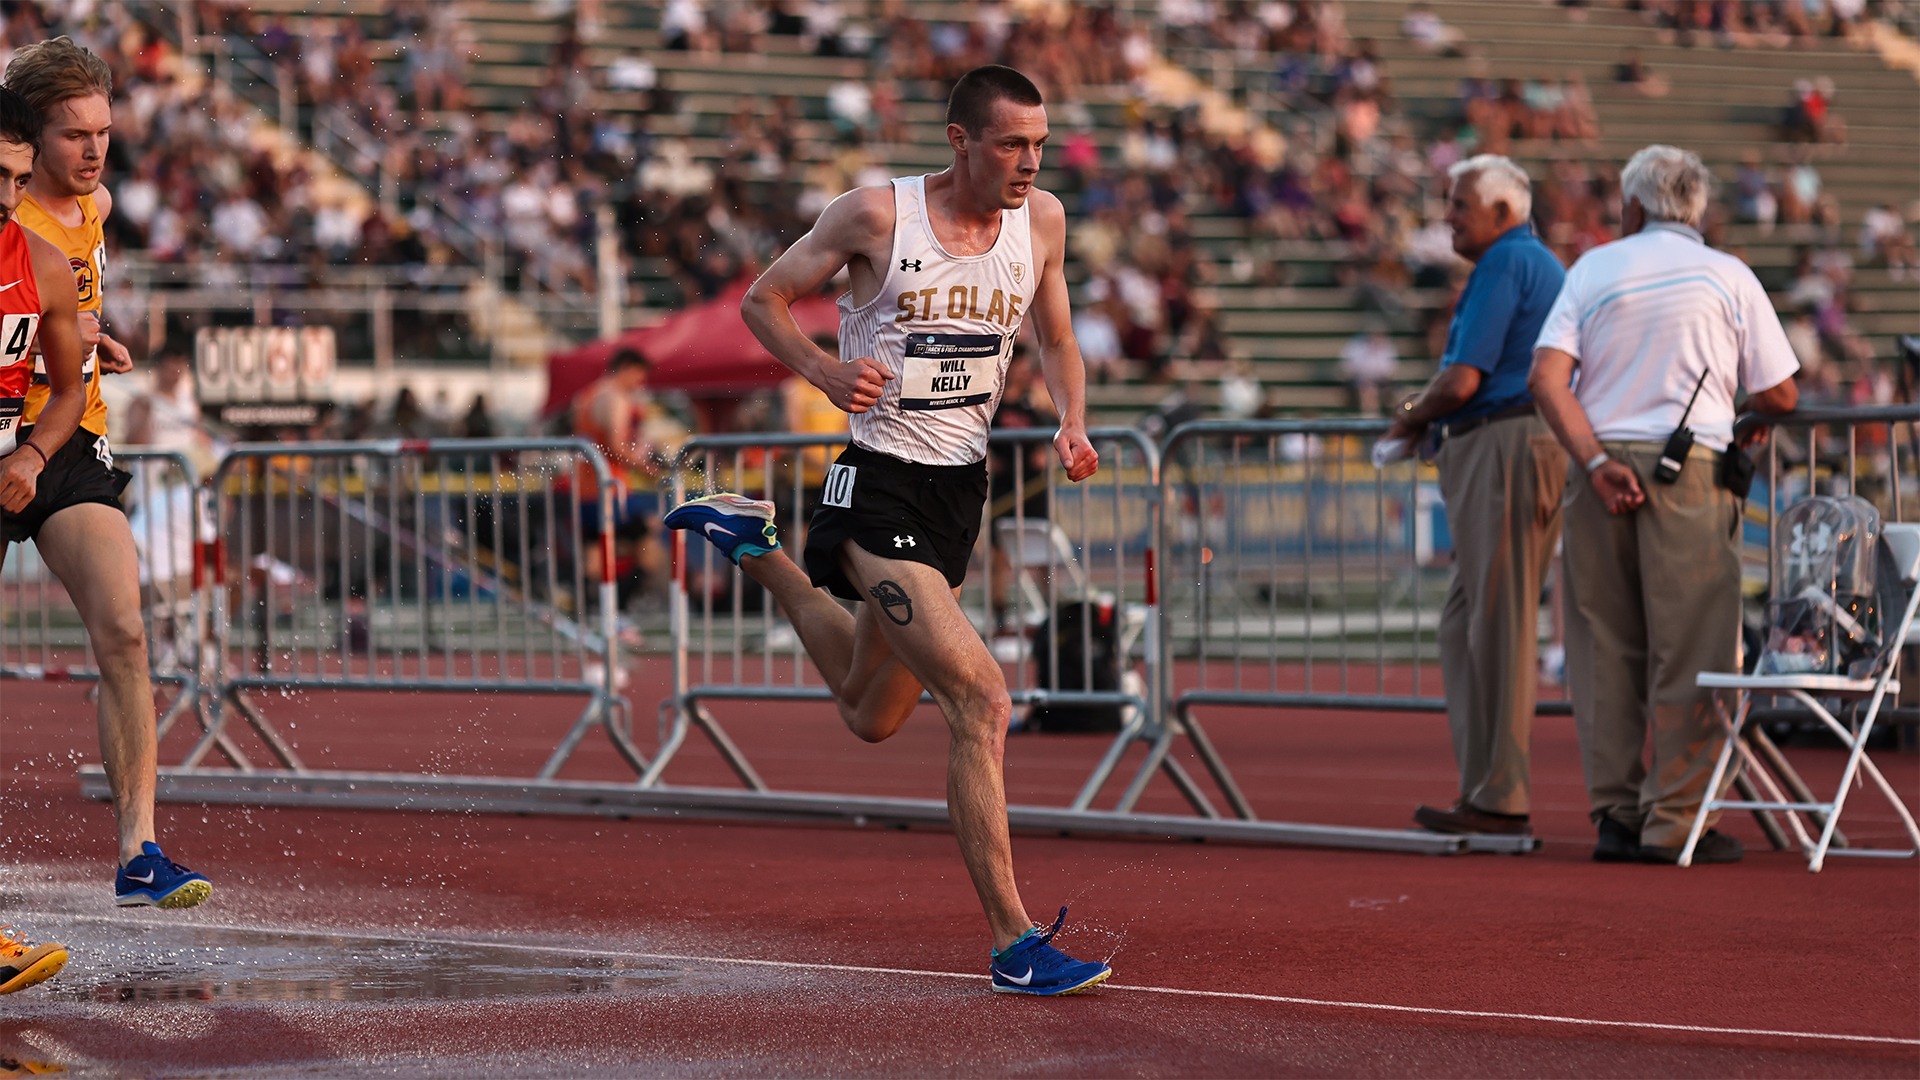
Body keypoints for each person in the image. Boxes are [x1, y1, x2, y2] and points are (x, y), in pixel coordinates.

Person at [666, 65, 1110, 996]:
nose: (1031, 162)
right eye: (1010, 144)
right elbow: (762, 300)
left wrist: (1072, 419)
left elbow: (1058, 337)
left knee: (873, 713)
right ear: (959, 141)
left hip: (958, 496)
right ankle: (1013, 944)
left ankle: (757, 548)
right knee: (982, 699)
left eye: (1039, 143)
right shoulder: (877, 217)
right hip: (875, 489)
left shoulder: (1044, 222)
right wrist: (826, 374)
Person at [1529, 145, 1800, 866]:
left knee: (1602, 646)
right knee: (1695, 647)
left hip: (1602, 465)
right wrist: (1745, 412)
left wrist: (1592, 461)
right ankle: (1676, 818)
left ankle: (1615, 815)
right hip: (1693, 470)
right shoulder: (1727, 274)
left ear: (1635, 207)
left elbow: (1547, 379)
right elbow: (1782, 394)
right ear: (1696, 211)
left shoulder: (1592, 268)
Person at [4, 37, 211, 909]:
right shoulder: (17, 225)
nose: (93, 153)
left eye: (104, 132)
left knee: (126, 631)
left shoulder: (93, 207)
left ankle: (139, 852)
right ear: (26, 138)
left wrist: (93, 335)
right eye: (72, 137)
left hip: (62, 439)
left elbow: (69, 311)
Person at [1386, 155, 1568, 839]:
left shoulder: (1507, 264)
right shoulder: (1525, 263)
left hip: (1505, 441)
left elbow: (1463, 379)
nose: (1449, 217)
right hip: (1503, 441)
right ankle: (1487, 787)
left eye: (1461, 205)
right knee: (1471, 621)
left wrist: (1410, 412)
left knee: (1498, 623)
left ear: (1502, 212)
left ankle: (1501, 795)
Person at [0, 83, 88, 994]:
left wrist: (31, 453)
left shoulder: (42, 265)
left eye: (16, 180)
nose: (2, 195)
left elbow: (64, 391)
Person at [570, 348, 670, 607]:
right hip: (611, 489)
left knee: (595, 556)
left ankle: (585, 613)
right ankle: (618, 612)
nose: (641, 383)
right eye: (639, 375)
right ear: (626, 368)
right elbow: (617, 447)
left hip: (585, 489)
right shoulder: (616, 399)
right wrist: (647, 467)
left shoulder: (586, 395)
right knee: (649, 552)